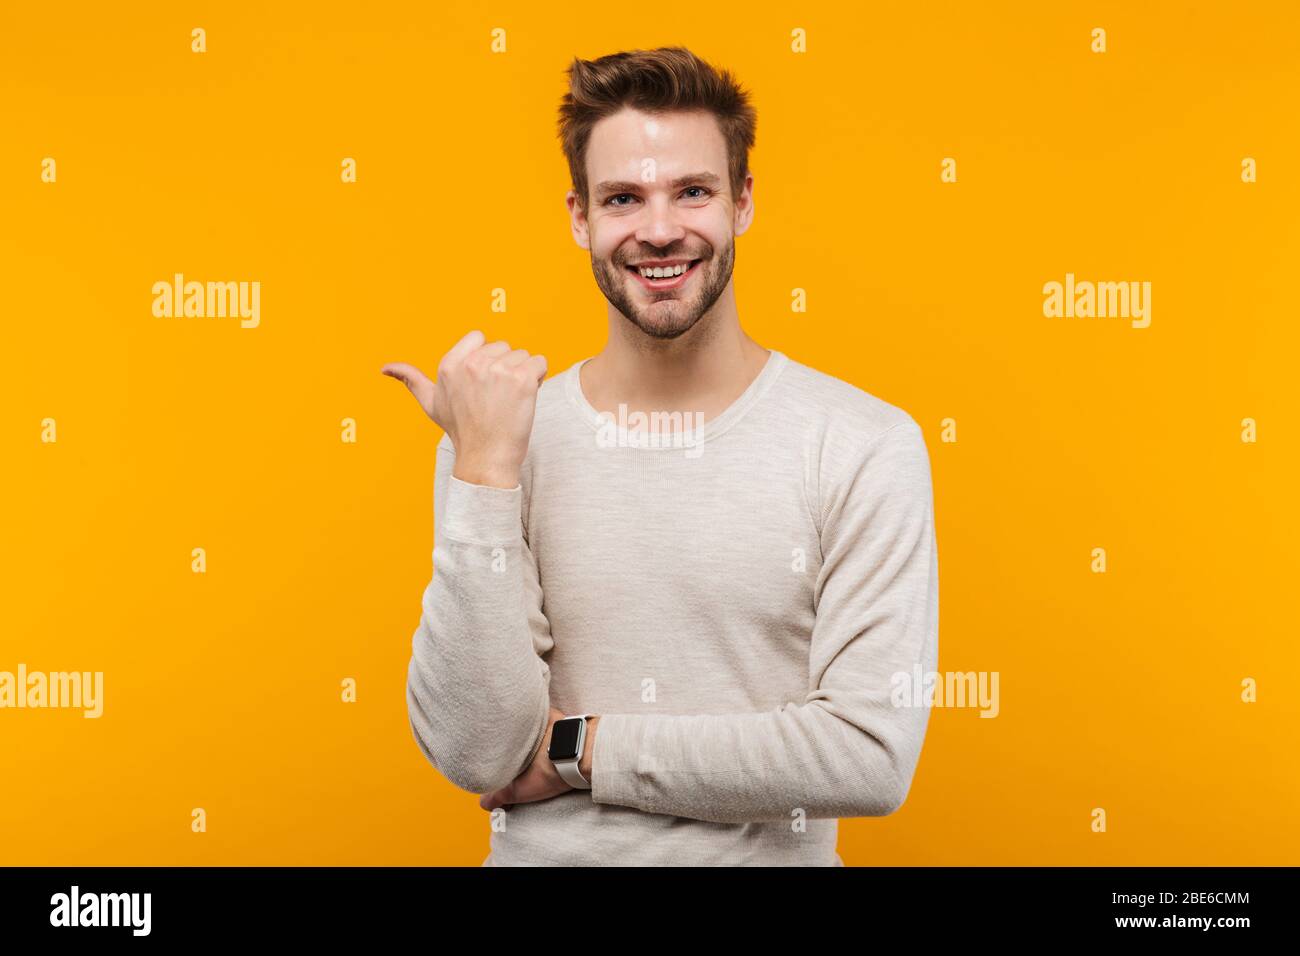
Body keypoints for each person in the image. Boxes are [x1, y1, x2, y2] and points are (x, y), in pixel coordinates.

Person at [382, 46, 939, 866]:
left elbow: (869, 754)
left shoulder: (863, 444)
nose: (659, 229)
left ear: (743, 200)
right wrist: (484, 472)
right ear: (580, 217)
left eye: (693, 191)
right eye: (622, 198)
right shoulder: (501, 436)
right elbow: (476, 754)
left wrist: (583, 751)